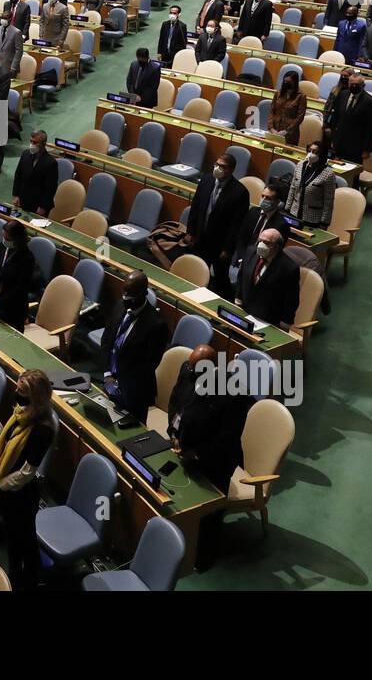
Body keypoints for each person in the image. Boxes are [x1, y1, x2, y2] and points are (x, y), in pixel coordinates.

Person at [168, 346, 250, 568]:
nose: (192, 373)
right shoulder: (188, 370)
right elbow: (175, 401)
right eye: (191, 368)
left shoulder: (235, 393)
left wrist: (198, 452)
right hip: (186, 446)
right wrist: (173, 432)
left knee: (210, 512)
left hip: (217, 460)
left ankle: (204, 557)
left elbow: (227, 437)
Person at [0, 368, 55, 589]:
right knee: (12, 539)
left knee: (24, 541)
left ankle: (31, 581)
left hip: (22, 494)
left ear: (35, 397)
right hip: (5, 488)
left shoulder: (43, 429)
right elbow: (2, 444)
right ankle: (14, 576)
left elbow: (27, 472)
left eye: (22, 390)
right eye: (17, 386)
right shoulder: (21, 412)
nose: (16, 392)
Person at [99, 271, 168, 421]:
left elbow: (149, 364)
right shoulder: (119, 306)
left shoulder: (156, 325)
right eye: (124, 295)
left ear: (143, 294)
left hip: (134, 391)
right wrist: (108, 375)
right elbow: (106, 340)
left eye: (130, 298)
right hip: (110, 380)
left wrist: (120, 383)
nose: (125, 301)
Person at [184, 153, 249, 293]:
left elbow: (237, 225)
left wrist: (228, 249)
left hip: (220, 245)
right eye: (217, 164)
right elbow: (195, 207)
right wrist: (190, 231)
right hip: (201, 237)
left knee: (220, 279)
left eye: (222, 166)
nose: (217, 168)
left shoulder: (240, 192)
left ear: (231, 170)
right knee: (198, 272)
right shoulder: (206, 180)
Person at [235, 228, 301, 328]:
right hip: (245, 311)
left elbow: (291, 299)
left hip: (269, 320)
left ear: (277, 246)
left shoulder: (289, 268)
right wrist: (238, 299)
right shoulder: (251, 251)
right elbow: (241, 277)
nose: (261, 245)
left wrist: (285, 324)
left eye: (266, 242)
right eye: (259, 240)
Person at [0, 219, 38, 333]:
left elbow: (19, 288)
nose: (4, 240)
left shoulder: (26, 258)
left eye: (8, 239)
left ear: (17, 239)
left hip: (14, 309)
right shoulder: (3, 246)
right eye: (3, 237)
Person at [324, 72, 372, 163]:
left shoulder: (370, 102)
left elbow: (371, 128)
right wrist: (333, 138)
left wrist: (367, 150)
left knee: (352, 174)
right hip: (339, 142)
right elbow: (335, 117)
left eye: (356, 85)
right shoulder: (342, 94)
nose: (353, 86)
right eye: (351, 84)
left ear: (363, 85)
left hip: (356, 146)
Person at [285, 141, 337, 230]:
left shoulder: (328, 174)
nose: (311, 154)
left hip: (312, 218)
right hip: (294, 213)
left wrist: (324, 222)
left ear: (321, 155)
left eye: (315, 152)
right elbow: (292, 189)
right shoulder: (300, 165)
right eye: (310, 151)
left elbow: (328, 201)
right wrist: (287, 209)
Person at [12, 130, 59, 217]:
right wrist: (16, 195)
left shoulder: (51, 163)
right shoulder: (25, 154)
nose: (32, 144)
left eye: (35, 142)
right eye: (31, 141)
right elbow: (18, 175)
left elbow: (50, 188)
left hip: (38, 206)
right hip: (23, 200)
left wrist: (43, 207)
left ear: (43, 144)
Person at [269, 71, 307, 145]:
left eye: (288, 82)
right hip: (274, 130)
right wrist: (271, 128)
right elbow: (272, 110)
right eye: (285, 81)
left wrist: (286, 131)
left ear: (294, 82)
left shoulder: (301, 96)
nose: (286, 83)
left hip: (290, 134)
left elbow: (300, 117)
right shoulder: (278, 93)